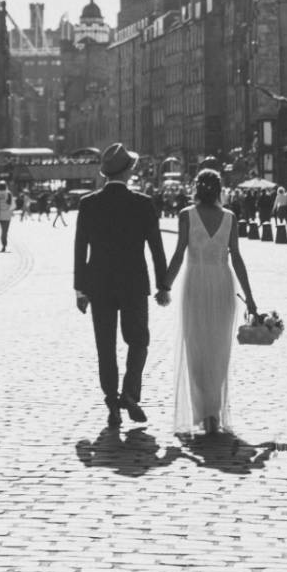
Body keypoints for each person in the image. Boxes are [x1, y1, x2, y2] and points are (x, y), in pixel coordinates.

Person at [74, 143, 171, 429]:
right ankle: (130, 393)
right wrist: (163, 284)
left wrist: (80, 289)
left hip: (99, 284)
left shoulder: (88, 203)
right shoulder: (142, 203)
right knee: (138, 340)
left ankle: (111, 400)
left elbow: (80, 249)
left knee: (105, 345)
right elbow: (156, 248)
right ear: (129, 171)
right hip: (133, 284)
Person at [160, 166, 260, 438]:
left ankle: (204, 411)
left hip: (195, 284)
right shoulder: (230, 217)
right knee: (219, 348)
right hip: (223, 284)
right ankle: (213, 413)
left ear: (196, 189)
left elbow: (179, 255)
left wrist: (165, 285)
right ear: (219, 190)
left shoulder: (186, 216)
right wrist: (249, 297)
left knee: (195, 347)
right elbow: (237, 257)